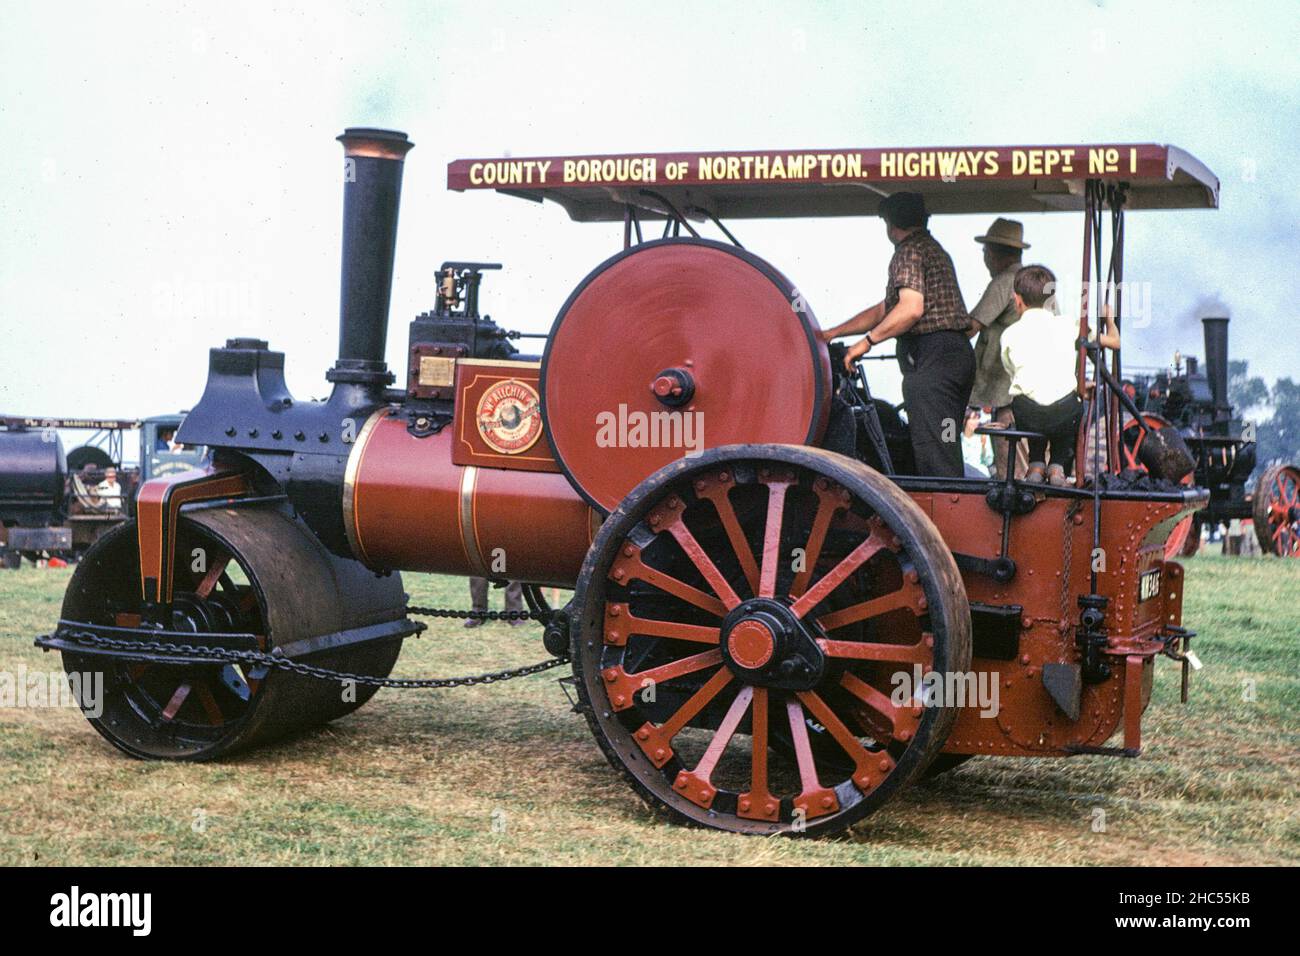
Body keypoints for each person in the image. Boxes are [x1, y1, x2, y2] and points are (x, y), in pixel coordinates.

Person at [820, 192, 975, 477]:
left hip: (932, 361)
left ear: (891, 225)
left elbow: (910, 309)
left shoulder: (908, 251)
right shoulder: (932, 249)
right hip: (955, 356)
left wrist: (864, 344)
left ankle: (939, 515)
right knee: (946, 441)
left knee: (935, 453)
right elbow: (886, 309)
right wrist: (834, 331)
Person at [1000, 264, 1120, 485]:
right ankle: (1056, 466)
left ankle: (1036, 464)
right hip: (1063, 413)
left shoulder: (1009, 334)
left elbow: (1012, 371)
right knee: (1070, 409)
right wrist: (1109, 320)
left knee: (1023, 401)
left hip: (1028, 414)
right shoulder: (1071, 325)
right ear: (1052, 301)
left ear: (1017, 299)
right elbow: (1114, 342)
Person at [967, 218, 1030, 479]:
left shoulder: (1005, 282)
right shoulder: (1032, 281)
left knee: (1011, 470)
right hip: (1030, 394)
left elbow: (971, 326)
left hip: (1007, 395)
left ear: (992, 253)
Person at [961, 407, 994, 477]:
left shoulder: (983, 436)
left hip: (980, 472)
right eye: (973, 418)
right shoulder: (960, 438)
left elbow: (989, 462)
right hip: (964, 472)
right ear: (966, 421)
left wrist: (984, 447)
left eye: (978, 418)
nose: (977, 421)